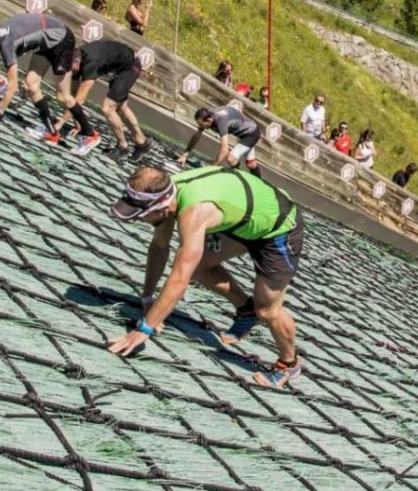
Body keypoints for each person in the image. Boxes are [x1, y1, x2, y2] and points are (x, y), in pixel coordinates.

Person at [106, 163, 306, 387]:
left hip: (278, 228)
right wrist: (147, 300)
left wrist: (145, 329)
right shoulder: (170, 195)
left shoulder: (193, 211)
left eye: (141, 215)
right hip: (244, 220)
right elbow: (159, 247)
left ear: (160, 206)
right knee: (200, 267)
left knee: (268, 310)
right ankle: (245, 309)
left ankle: (289, 363)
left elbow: (180, 277)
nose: (138, 220)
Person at [0, 11, 75, 139]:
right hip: (48, 39)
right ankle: (52, 129)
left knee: (63, 96)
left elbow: (12, 86)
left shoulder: (7, 45)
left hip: (61, 39)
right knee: (31, 85)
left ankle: (88, 133)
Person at [65, 37, 147, 155]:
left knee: (107, 108)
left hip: (130, 67)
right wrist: (78, 125)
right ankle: (142, 142)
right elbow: (73, 94)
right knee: (121, 108)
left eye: (69, 68)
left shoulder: (90, 64)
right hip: (120, 67)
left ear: (77, 62)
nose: (67, 72)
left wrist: (60, 123)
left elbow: (80, 99)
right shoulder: (76, 60)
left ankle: (123, 146)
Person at [185, 100, 263, 169]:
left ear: (208, 120)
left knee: (231, 159)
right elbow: (196, 136)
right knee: (251, 164)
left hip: (251, 133)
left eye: (202, 125)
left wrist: (212, 168)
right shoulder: (207, 115)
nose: (201, 127)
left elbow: (224, 150)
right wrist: (185, 154)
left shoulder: (220, 121)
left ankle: (237, 176)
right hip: (243, 133)